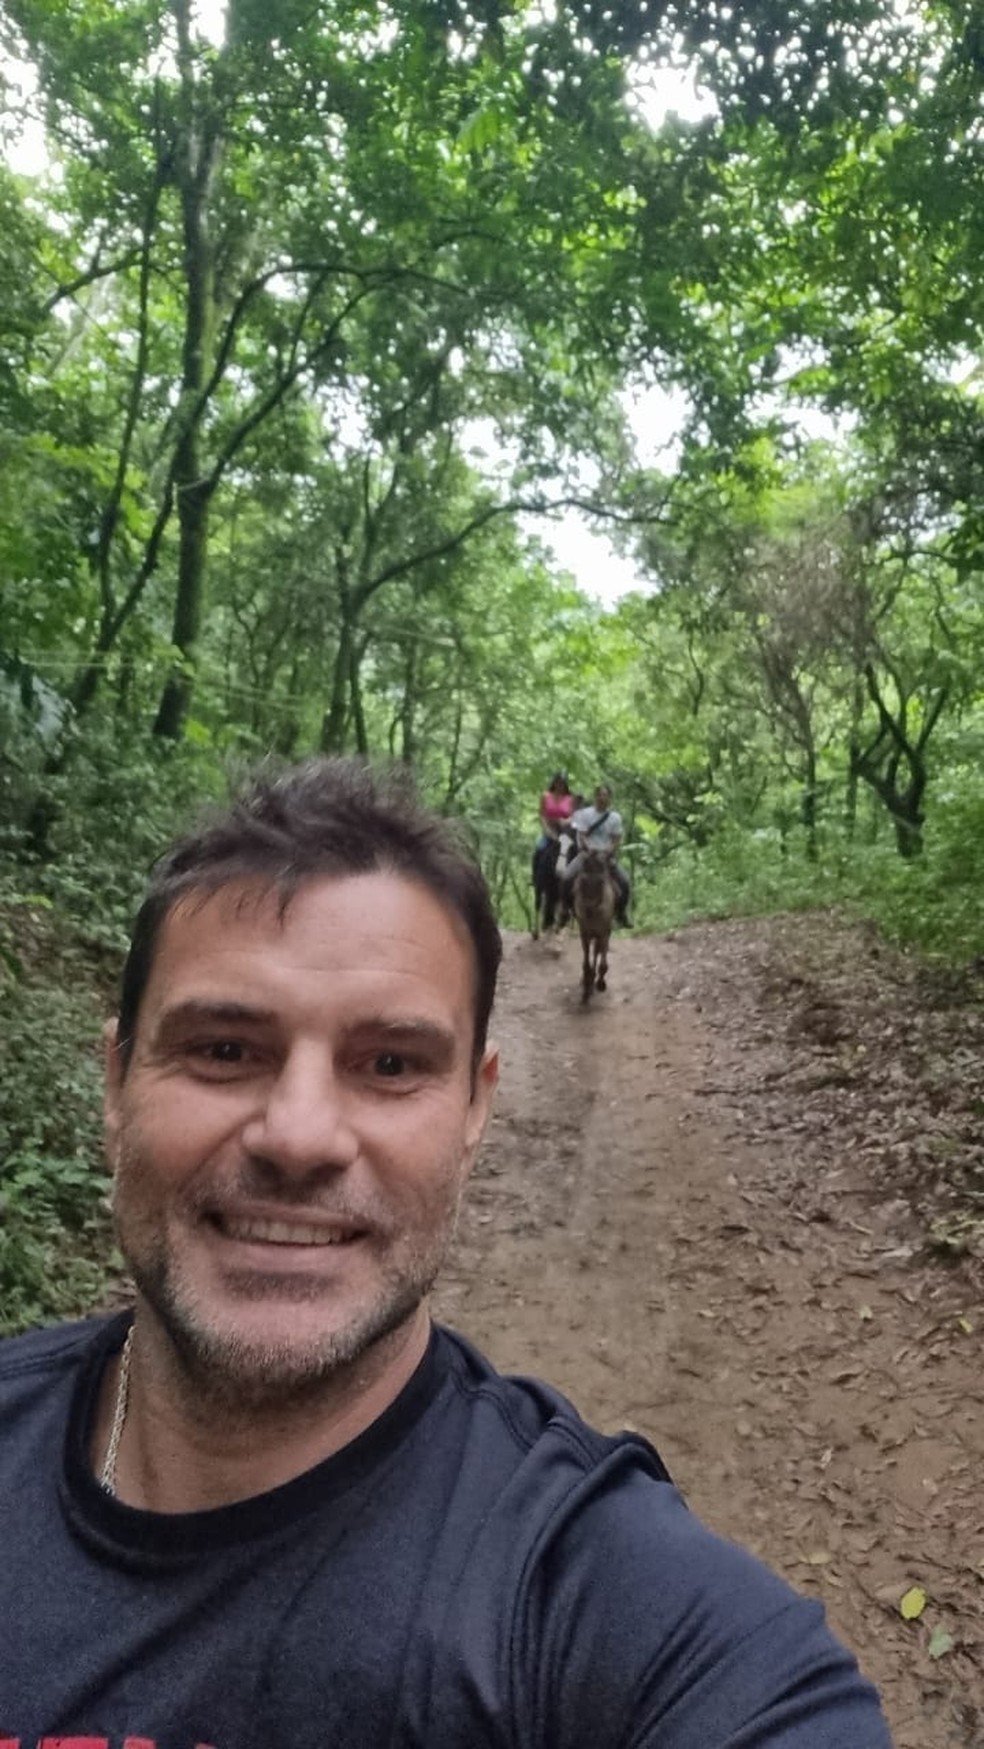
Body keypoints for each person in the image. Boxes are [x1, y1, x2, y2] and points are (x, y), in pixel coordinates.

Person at [0, 758, 892, 1748]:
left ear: (475, 1109)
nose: (298, 1136)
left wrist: (602, 840)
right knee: (554, 863)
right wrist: (563, 837)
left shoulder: (604, 1595)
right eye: (223, 1049)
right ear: (116, 1085)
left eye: (390, 1063)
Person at [562, 780, 633, 925]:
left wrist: (609, 850)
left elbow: (616, 839)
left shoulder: (615, 817)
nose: (602, 797)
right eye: (599, 795)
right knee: (566, 878)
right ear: (595, 797)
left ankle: (621, 914)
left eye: (605, 795)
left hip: (606, 857)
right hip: (586, 856)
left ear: (609, 798)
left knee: (625, 882)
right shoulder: (584, 814)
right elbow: (582, 835)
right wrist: (590, 849)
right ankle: (566, 910)